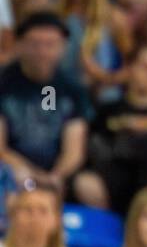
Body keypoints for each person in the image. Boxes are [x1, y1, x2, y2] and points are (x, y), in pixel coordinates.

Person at [76, 46, 147, 214]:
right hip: (113, 185)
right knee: (84, 181)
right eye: (145, 66)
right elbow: (93, 152)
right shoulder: (107, 111)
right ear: (129, 69)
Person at [0, 12, 90, 192]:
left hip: (58, 174)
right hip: (11, 170)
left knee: (89, 186)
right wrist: (32, 175)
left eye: (50, 45)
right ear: (19, 45)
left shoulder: (73, 89)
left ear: (63, 47)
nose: (42, 52)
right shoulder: (3, 84)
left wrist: (56, 175)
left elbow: (74, 150)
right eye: (35, 44)